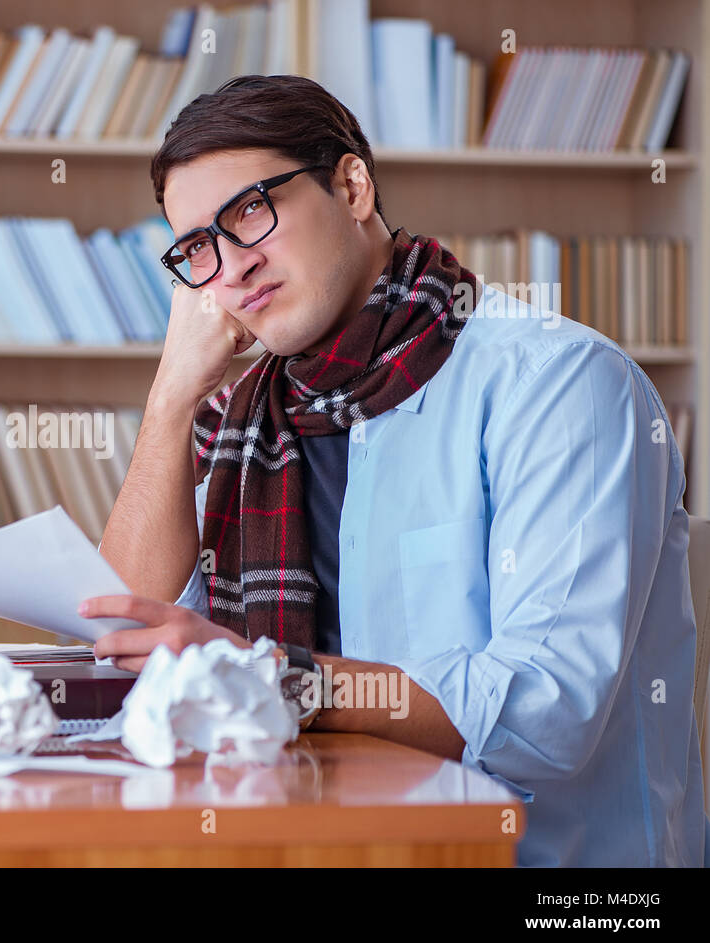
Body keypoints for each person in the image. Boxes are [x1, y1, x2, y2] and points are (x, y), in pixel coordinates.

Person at [82, 74, 707, 867]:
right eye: (198, 248)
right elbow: (125, 635)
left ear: (350, 185)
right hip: (313, 845)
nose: (231, 269)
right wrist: (169, 400)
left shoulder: (560, 383)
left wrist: (273, 678)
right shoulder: (244, 419)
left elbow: (547, 714)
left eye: (249, 212)